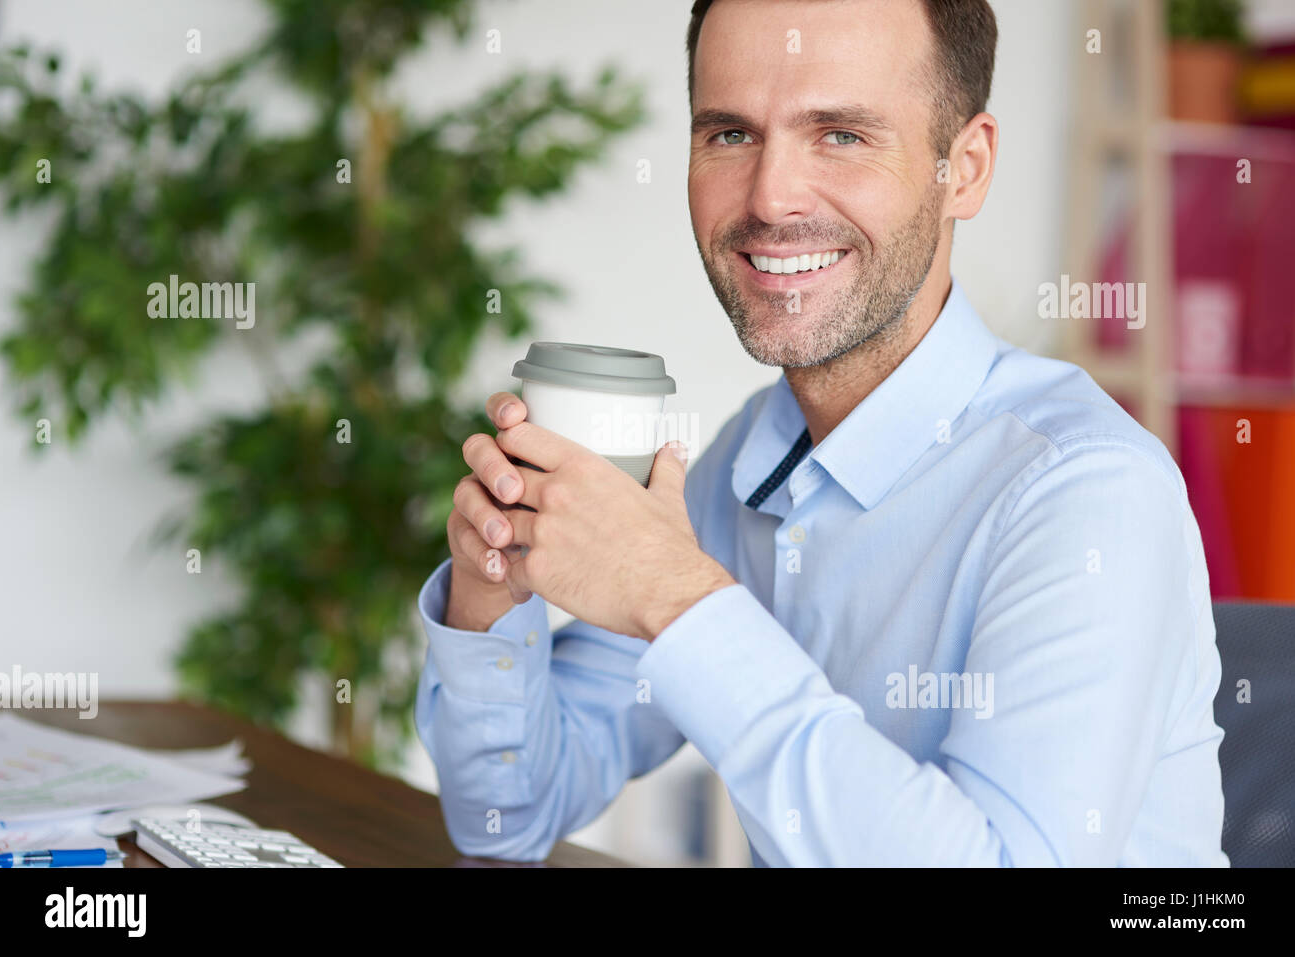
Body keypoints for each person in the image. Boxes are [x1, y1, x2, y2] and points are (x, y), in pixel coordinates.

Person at [414, 0, 1228, 866]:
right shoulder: (740, 465)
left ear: (968, 167)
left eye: (840, 134)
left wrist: (677, 597)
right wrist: (491, 591)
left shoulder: (1087, 492)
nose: (770, 197)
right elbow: (508, 813)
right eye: (730, 134)